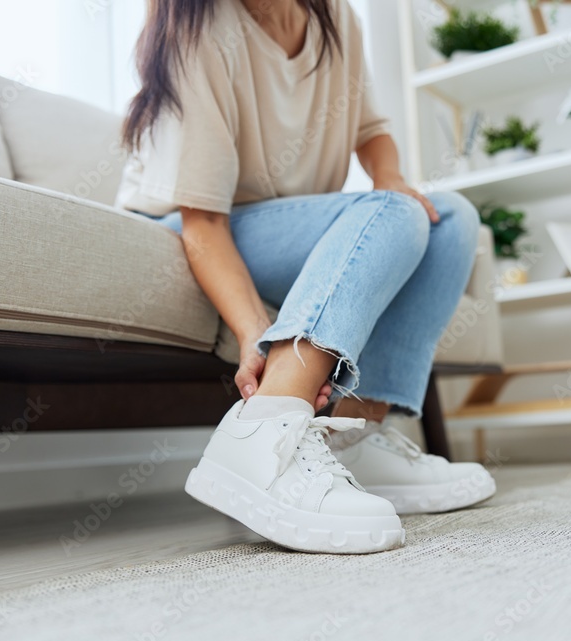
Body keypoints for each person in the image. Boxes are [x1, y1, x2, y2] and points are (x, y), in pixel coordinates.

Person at [118, 0, 496, 554]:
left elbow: (371, 127)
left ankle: (357, 438)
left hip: (285, 218)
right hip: (188, 219)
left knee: (452, 219)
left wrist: (389, 176)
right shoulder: (199, 31)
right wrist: (253, 330)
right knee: (394, 213)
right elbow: (203, 222)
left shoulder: (339, 18)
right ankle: (263, 431)